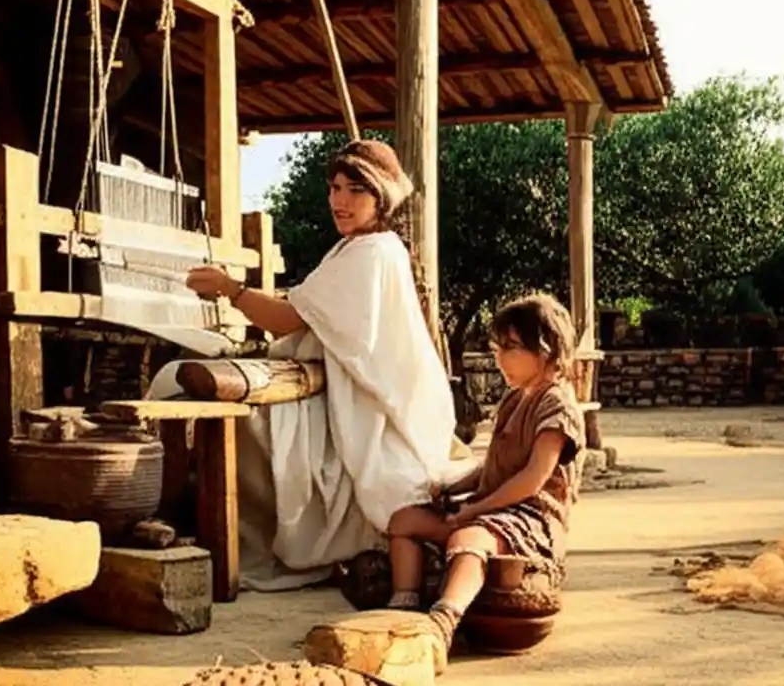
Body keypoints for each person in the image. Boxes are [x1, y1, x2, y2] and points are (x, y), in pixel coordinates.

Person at [181, 139, 476, 590]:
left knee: (246, 426)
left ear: (381, 198)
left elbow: (286, 319)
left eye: (355, 190)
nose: (340, 201)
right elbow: (307, 309)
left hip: (377, 412)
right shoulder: (366, 248)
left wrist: (230, 290)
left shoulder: (370, 254)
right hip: (384, 397)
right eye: (335, 188)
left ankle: (232, 540)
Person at [384, 292, 586, 652]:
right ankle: (404, 608)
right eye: (497, 348)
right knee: (404, 522)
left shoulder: (557, 405)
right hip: (489, 509)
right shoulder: (514, 398)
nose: (500, 358)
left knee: (469, 538)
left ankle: (442, 623)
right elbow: (494, 465)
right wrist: (452, 488)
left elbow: (532, 479)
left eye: (511, 347)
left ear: (546, 349)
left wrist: (474, 510)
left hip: (529, 519)